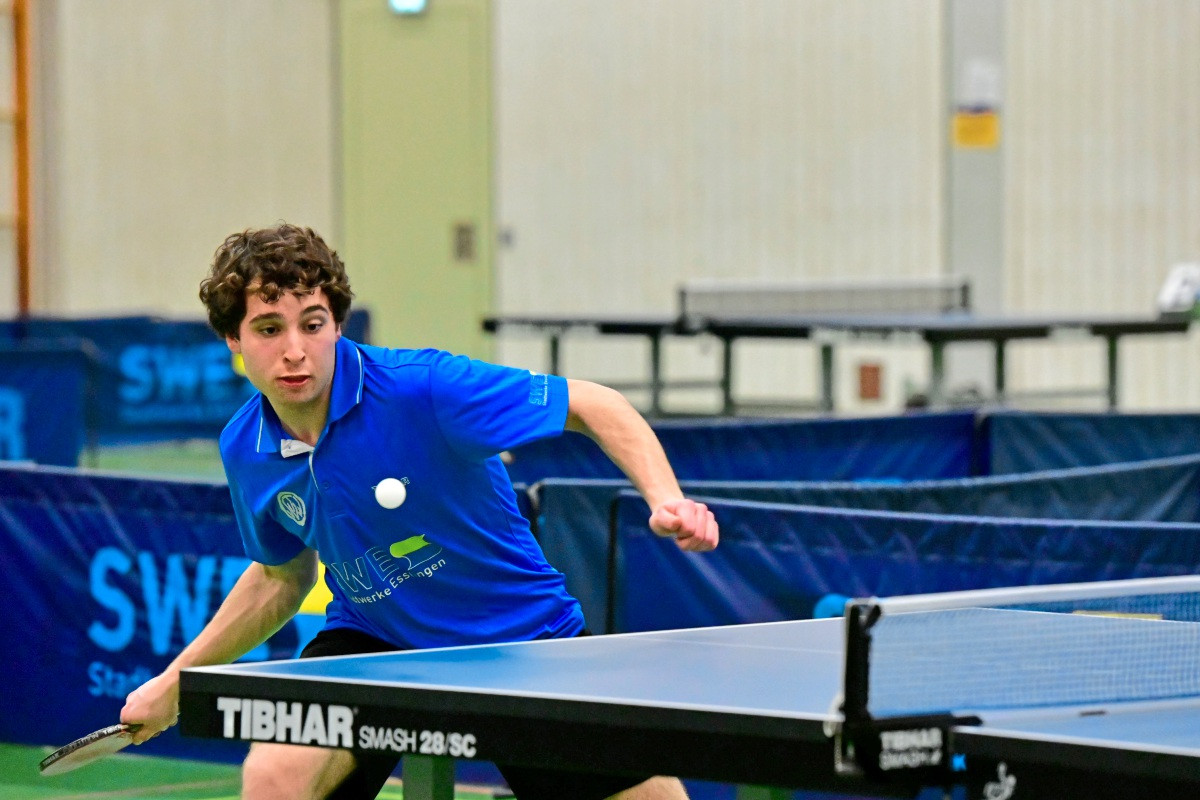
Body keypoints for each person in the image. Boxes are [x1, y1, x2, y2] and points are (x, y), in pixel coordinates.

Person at [120, 223, 719, 800]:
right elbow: (282, 578)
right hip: (374, 643)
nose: (294, 351)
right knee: (276, 775)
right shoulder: (244, 446)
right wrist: (174, 685)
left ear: (336, 325)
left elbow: (593, 403)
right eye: (270, 328)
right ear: (235, 340)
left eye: (313, 324)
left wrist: (665, 498)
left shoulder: (423, 388)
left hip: (520, 640)